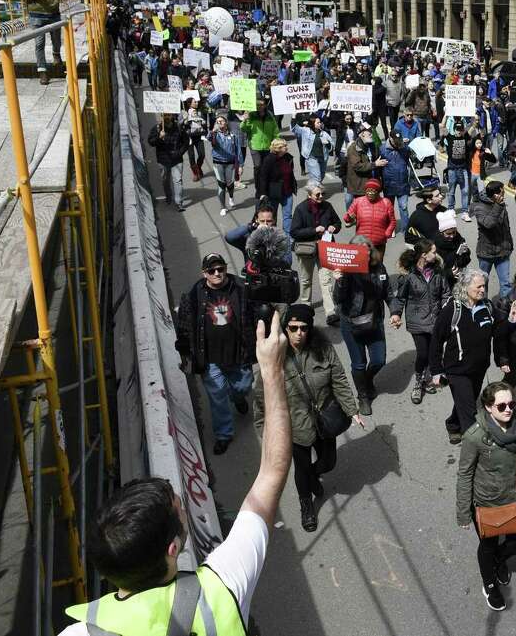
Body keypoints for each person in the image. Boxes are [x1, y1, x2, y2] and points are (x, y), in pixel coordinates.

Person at [61, 312, 291, 636]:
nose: (182, 504)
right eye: (179, 508)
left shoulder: (79, 633)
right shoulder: (220, 591)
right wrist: (272, 371)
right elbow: (272, 471)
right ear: (173, 550)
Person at [255, 304, 364, 532]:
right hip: (294, 427)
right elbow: (261, 399)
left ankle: (313, 476)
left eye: (303, 328)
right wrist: (265, 436)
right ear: (285, 329)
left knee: (328, 462)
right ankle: (306, 505)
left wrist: (352, 410)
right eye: (293, 328)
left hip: (324, 419)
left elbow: (339, 379)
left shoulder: (323, 349)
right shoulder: (275, 358)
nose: (298, 333)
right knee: (301, 468)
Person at [456, 381, 516, 612]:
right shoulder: (475, 436)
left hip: (515, 498)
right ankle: (489, 584)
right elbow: (464, 474)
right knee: (488, 546)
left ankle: (498, 562)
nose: (508, 409)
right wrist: (463, 512)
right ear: (488, 408)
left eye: (511, 403)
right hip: (487, 502)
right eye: (501, 406)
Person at [174, 253, 255, 455]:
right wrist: (184, 348)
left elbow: (253, 316)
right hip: (209, 359)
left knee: (243, 386)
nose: (217, 273)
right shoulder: (194, 294)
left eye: (221, 268)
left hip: (239, 355)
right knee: (217, 397)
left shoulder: (241, 288)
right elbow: (184, 322)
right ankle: (223, 435)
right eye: (212, 270)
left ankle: (237, 398)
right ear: (205, 273)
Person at [432, 269, 496, 443]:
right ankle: (477, 448)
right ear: (466, 286)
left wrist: (513, 323)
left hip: (479, 368)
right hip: (457, 370)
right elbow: (436, 340)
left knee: (466, 400)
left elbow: (499, 330)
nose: (483, 290)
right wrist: (436, 370)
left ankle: (453, 424)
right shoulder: (453, 309)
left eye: (484, 286)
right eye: (479, 286)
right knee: (469, 410)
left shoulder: (487, 306)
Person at [332, 236, 391, 415]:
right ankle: (363, 396)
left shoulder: (379, 267)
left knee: (379, 360)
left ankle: (366, 380)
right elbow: (338, 299)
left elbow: (388, 292)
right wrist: (340, 281)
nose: (364, 253)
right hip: (351, 323)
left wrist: (395, 312)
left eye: (366, 249)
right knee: (359, 363)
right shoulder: (346, 271)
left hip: (374, 321)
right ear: (351, 253)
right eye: (359, 250)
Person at [390, 239, 450, 405]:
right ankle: (418, 382)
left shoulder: (438, 273)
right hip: (417, 321)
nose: (436, 255)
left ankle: (427, 378)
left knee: (433, 354)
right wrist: (396, 314)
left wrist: (446, 308)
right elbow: (400, 297)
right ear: (424, 255)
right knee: (423, 353)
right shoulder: (409, 276)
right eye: (433, 251)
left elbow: (446, 293)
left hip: (435, 320)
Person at [289, 182, 341, 326]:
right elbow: (294, 232)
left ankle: (331, 312)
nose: (321, 197)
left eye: (322, 194)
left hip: (325, 248)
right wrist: (313, 230)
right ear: (309, 195)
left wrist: (334, 227)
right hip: (306, 250)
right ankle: (306, 306)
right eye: (317, 194)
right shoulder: (301, 209)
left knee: (326, 280)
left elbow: (338, 223)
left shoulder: (327, 206)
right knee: (306, 280)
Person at [18, 0, 70, 84]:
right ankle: (43, 72)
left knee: (57, 40)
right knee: (39, 44)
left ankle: (56, 54)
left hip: (53, 15)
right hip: (36, 17)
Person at [472, 179, 514, 298]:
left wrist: (509, 244)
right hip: (487, 254)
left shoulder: (500, 205)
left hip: (503, 252)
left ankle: (504, 309)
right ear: (495, 194)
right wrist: (498, 206)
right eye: (502, 192)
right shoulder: (479, 207)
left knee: (505, 284)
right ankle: (484, 308)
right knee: (483, 284)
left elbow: (506, 227)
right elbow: (488, 224)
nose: (504, 194)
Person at [147, 113, 189, 211]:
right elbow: (151, 142)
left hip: (177, 159)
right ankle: (168, 196)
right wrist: (159, 137)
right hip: (163, 160)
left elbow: (186, 142)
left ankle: (178, 202)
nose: (167, 117)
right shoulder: (157, 128)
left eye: (168, 115)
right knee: (165, 180)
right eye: (165, 115)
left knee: (177, 180)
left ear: (172, 116)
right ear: (162, 116)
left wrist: (179, 153)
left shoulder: (179, 127)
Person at [255, 138, 298, 233]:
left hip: (287, 192)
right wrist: (263, 193)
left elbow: (291, 173)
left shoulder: (288, 158)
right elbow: (263, 177)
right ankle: (272, 237)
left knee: (288, 216)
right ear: (277, 148)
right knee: (272, 217)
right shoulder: (269, 160)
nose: (286, 148)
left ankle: (288, 239)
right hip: (273, 193)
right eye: (284, 146)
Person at [343, 178, 397, 249]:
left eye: (373, 191)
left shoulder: (386, 202)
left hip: (379, 242)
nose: (370, 193)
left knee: (378, 260)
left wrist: (387, 233)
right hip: (362, 242)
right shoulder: (358, 201)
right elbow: (346, 219)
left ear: (377, 192)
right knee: (362, 260)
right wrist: (349, 217)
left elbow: (392, 221)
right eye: (368, 191)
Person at [208, 113, 241, 216]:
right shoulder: (215, 134)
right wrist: (213, 131)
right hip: (218, 162)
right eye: (217, 122)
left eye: (221, 121)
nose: (219, 123)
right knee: (221, 185)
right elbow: (209, 138)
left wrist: (240, 165)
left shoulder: (233, 135)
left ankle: (231, 196)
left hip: (230, 163)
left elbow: (238, 150)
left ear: (226, 123)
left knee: (229, 183)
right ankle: (223, 207)